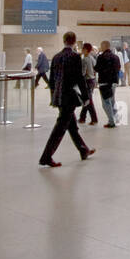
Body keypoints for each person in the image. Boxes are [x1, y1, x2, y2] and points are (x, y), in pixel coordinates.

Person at [39, 31, 96, 167]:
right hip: (69, 97)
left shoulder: (56, 57)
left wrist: (54, 97)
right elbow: (79, 78)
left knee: (72, 126)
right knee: (60, 128)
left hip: (59, 96)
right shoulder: (75, 57)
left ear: (64, 41)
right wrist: (86, 97)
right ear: (74, 42)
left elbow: (52, 81)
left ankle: (83, 150)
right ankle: (46, 157)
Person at [95, 40, 120, 127]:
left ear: (104, 47)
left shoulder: (101, 57)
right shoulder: (116, 57)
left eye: (101, 46)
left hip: (104, 82)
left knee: (106, 103)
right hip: (113, 82)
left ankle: (111, 121)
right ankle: (116, 119)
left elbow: (97, 68)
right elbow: (118, 68)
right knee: (112, 101)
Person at [76, 42, 99, 123]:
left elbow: (82, 72)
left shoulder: (84, 59)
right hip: (92, 80)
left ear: (85, 50)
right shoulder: (92, 58)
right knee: (86, 100)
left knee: (88, 101)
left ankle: (94, 119)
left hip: (87, 81)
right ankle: (82, 118)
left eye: (82, 49)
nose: (81, 50)